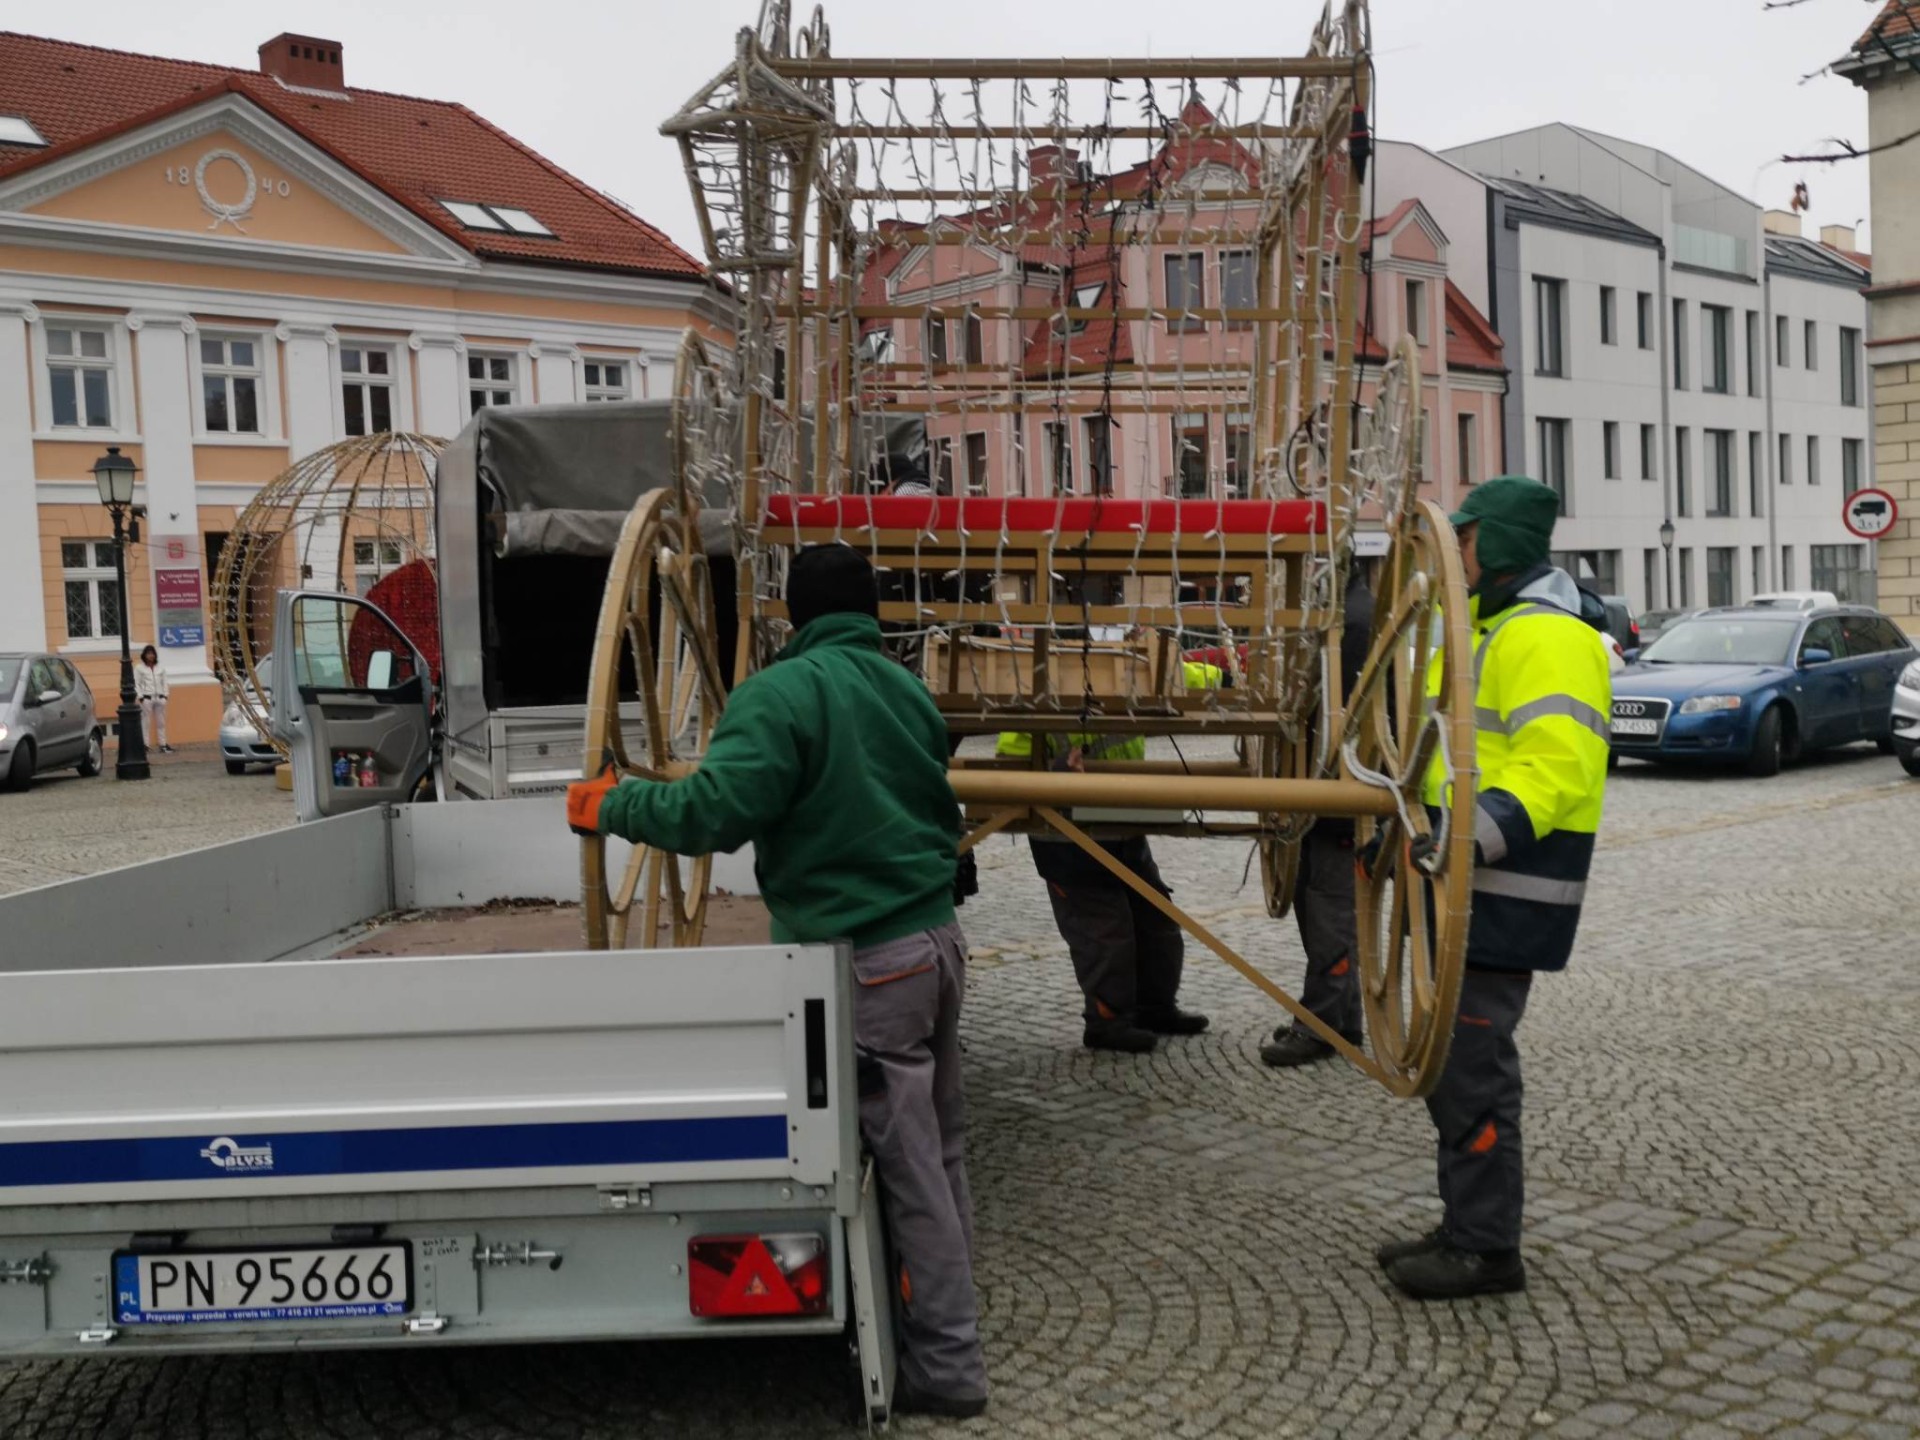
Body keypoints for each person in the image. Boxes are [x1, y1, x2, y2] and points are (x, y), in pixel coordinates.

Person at [565, 544, 988, 1418]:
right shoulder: (904, 687)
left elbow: (713, 813)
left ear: (793, 617)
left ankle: (949, 1371)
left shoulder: (781, 694)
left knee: (908, 1172)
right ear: (871, 612)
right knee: (940, 1158)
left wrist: (612, 805)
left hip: (868, 962)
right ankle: (938, 1326)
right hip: (934, 944)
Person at [1377, 475, 1611, 1301]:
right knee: (1454, 1067)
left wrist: (1456, 838)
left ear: (1500, 544)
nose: (1456, 554)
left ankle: (1486, 1251)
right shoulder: (1492, 630)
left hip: (1504, 892)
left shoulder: (1545, 637)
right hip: (1467, 886)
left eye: (1466, 539)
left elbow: (1559, 767)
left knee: (1474, 1069)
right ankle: (1465, 1226)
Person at [997, 659, 1220, 1055]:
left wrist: (1231, 671)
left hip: (1120, 822)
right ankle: (1106, 1022)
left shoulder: (1131, 666)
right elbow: (1007, 766)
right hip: (1066, 834)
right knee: (1104, 933)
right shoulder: (1042, 678)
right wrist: (1053, 771)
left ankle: (1155, 1007)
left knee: (1157, 920)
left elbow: (1181, 672)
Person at [1262, 567, 1374, 1067]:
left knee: (1329, 914)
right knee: (1321, 907)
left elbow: (1323, 707)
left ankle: (1322, 1025)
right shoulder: (1350, 613)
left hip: (1338, 794)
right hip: (1329, 791)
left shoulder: (1348, 622)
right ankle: (1342, 1022)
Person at [135, 645, 172, 754]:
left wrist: (165, 695)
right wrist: (140, 697)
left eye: (152, 653)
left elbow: (165, 682)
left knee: (161, 723)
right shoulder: (139, 668)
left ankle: (163, 744)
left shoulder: (160, 668)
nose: (150, 656)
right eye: (148, 653)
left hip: (160, 698)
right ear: (144, 655)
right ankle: (145, 744)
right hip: (147, 698)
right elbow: (137, 683)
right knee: (146, 722)